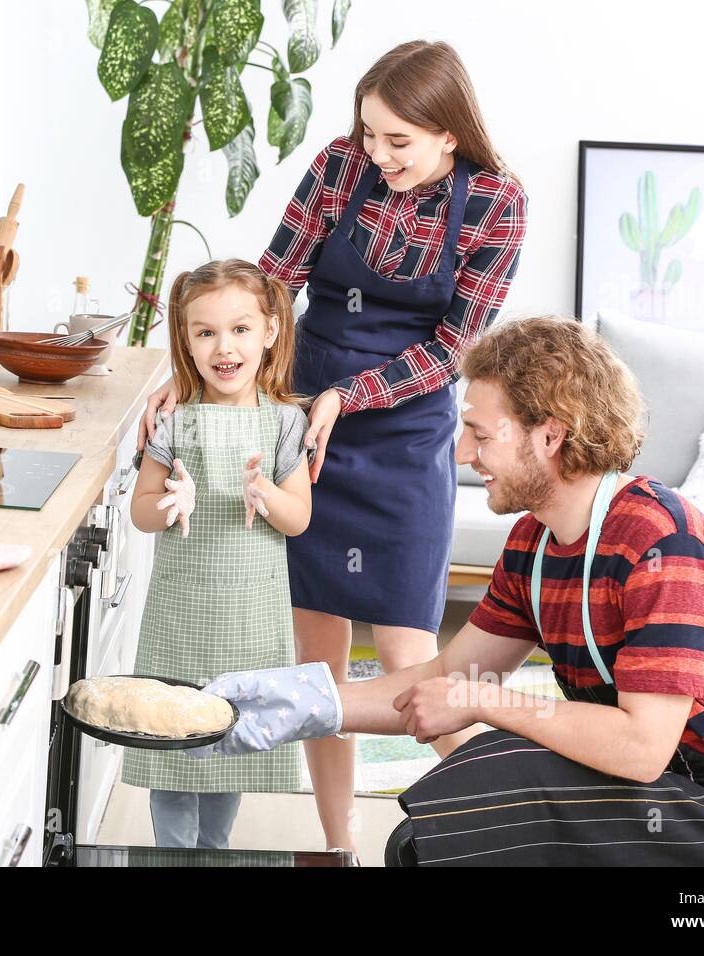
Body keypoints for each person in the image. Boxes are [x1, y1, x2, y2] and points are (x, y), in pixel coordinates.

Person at [196, 316, 704, 866]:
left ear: (549, 436)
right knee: (426, 832)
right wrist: (301, 703)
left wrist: (487, 703)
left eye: (480, 436)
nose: (462, 454)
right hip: (639, 788)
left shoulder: (662, 543)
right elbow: (447, 674)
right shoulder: (533, 544)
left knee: (450, 825)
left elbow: (642, 747)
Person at [139, 39, 528, 856]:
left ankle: (495, 835)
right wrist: (193, 367)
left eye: (398, 141)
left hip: (401, 432)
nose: (376, 155)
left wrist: (351, 395)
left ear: (449, 133)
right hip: (299, 421)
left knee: (408, 651)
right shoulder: (342, 166)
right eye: (368, 134)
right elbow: (274, 280)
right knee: (318, 667)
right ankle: (336, 842)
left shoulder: (497, 202)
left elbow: (455, 346)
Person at [122, 259, 314, 850]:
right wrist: (173, 501)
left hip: (248, 622)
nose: (223, 347)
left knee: (230, 742)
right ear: (185, 339)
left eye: (239, 329)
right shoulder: (174, 422)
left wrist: (267, 493)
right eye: (204, 332)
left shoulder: (285, 423)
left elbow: (299, 518)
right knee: (174, 743)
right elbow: (141, 510)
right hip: (180, 617)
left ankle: (215, 853)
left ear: (270, 331)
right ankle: (174, 856)